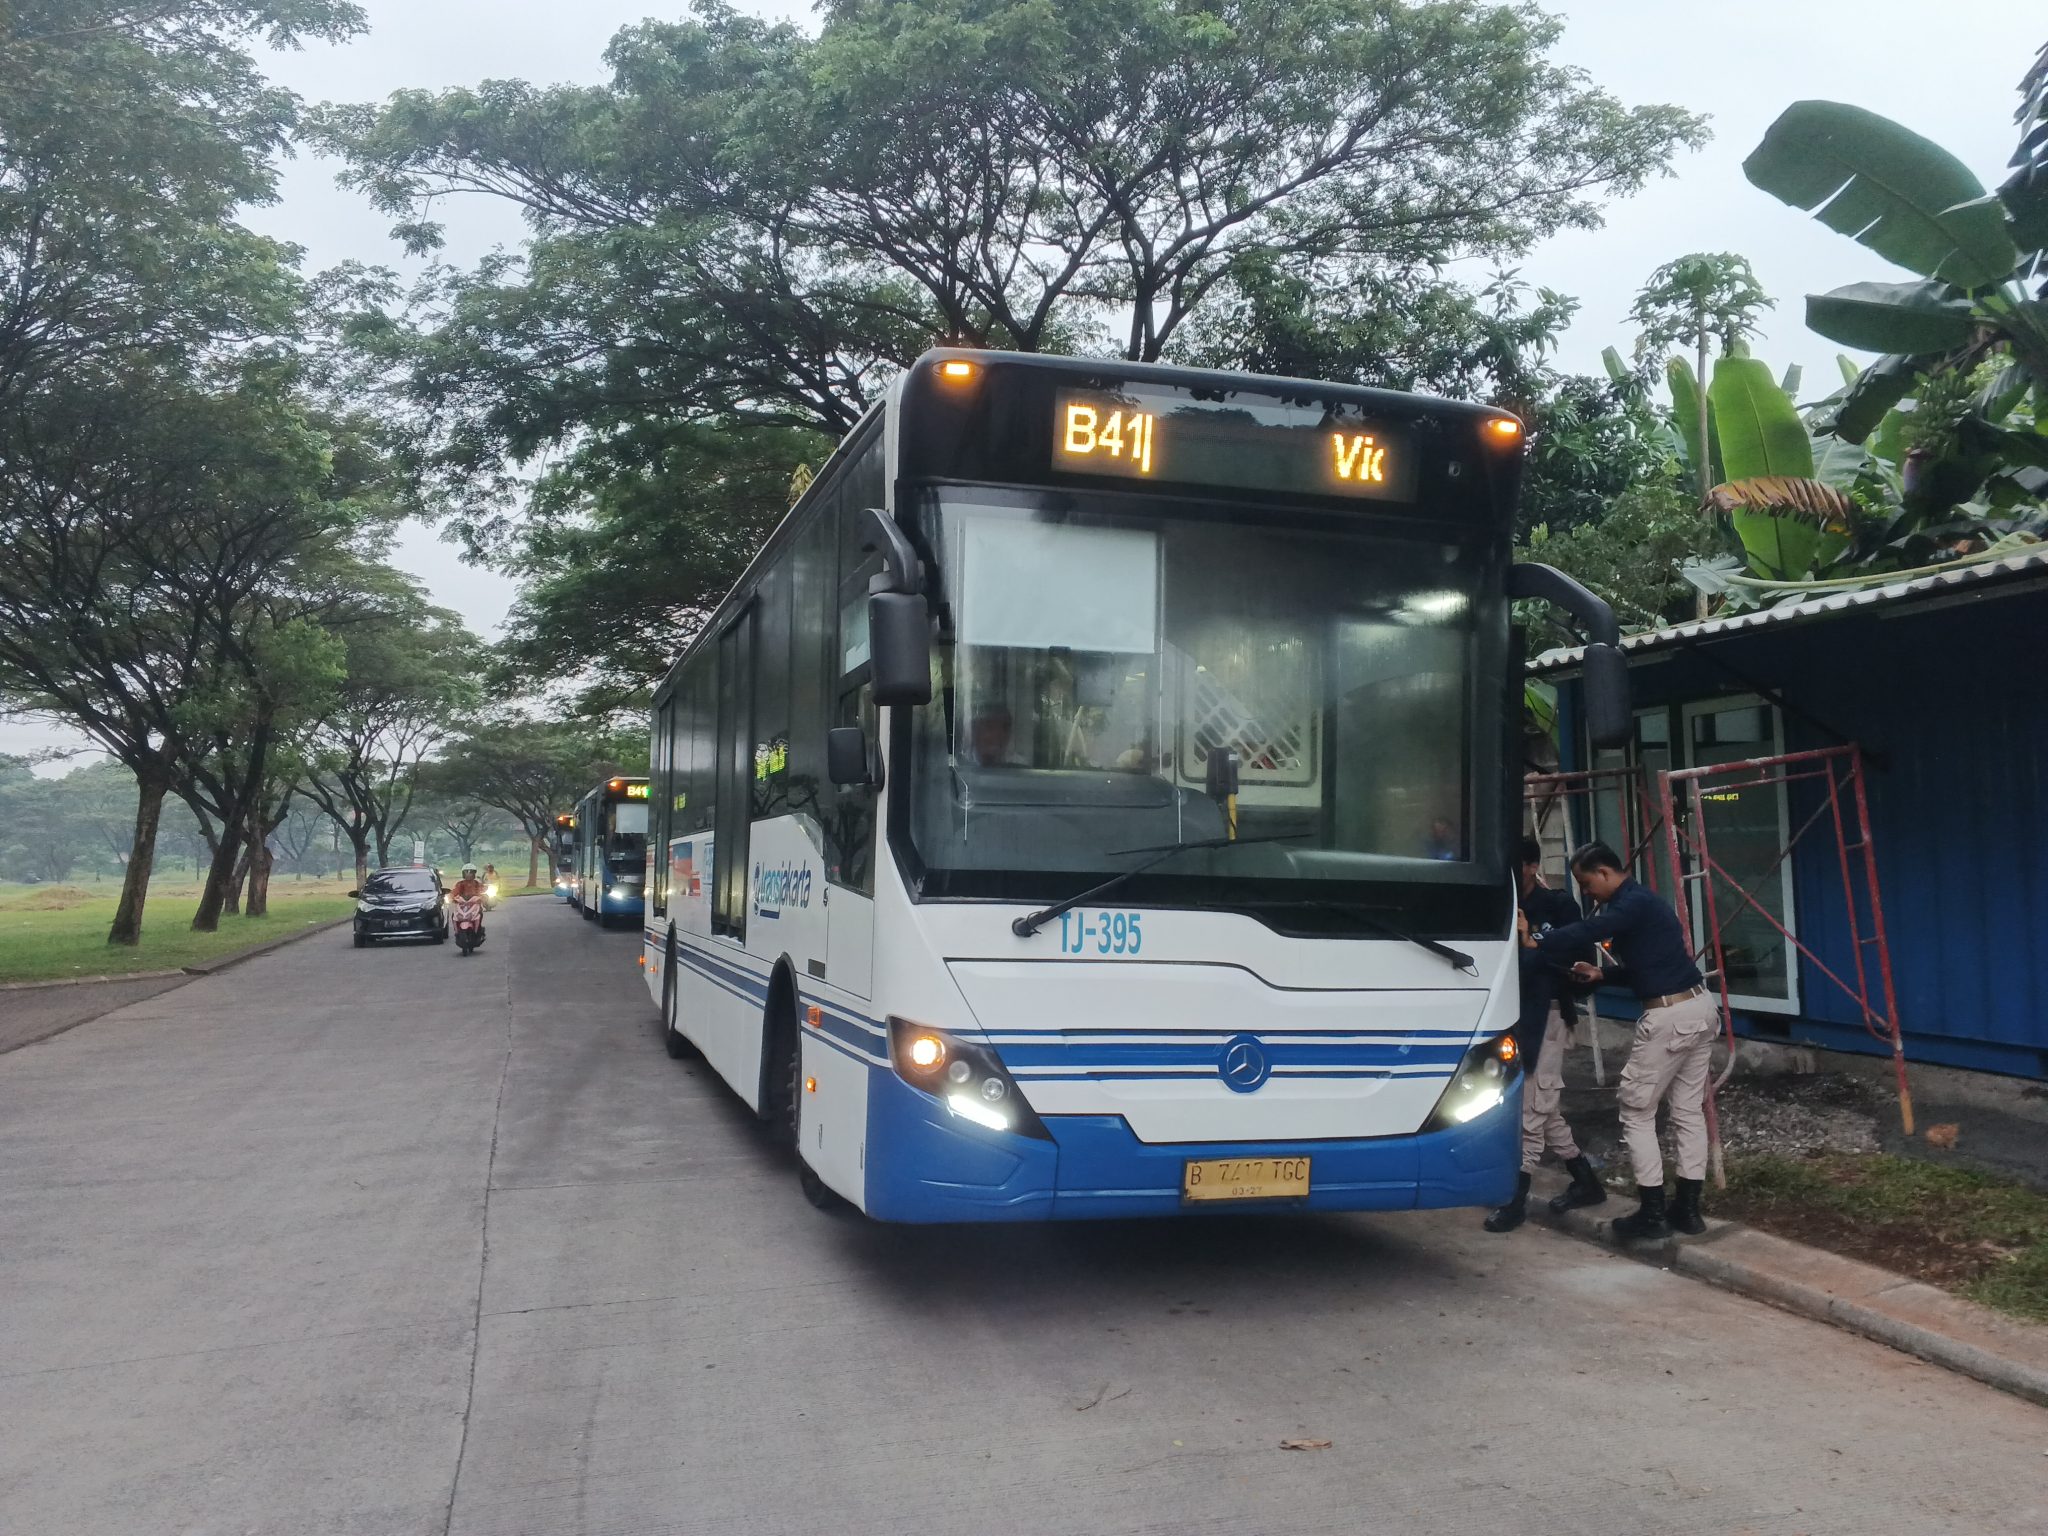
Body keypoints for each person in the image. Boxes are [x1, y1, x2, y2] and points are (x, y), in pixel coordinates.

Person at [1537, 842, 1716, 1240]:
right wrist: (1603, 975)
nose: (1587, 894)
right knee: (1687, 1111)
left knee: (1636, 1111)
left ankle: (1652, 1215)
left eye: (1587, 883)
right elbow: (1647, 968)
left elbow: (1590, 930)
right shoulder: (1644, 903)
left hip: (1669, 1017)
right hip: (1698, 1007)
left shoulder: (1629, 904)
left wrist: (1539, 943)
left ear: (1604, 872)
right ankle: (1687, 1211)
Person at [1484, 838, 1604, 1232]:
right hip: (1515, 1018)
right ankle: (1586, 1181)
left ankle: (1515, 1201)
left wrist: (1531, 943)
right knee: (1543, 1105)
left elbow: (1577, 965)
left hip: (1549, 1014)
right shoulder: (1501, 905)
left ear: (1533, 866)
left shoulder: (1558, 906)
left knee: (1532, 1111)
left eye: (1517, 866)